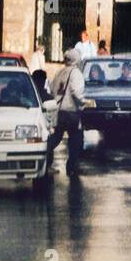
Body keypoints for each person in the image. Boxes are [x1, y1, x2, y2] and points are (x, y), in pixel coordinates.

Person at [49, 48, 85, 176]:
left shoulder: (60, 72)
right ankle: (72, 166)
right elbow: (77, 92)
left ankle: (46, 159)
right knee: (76, 138)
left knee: (56, 137)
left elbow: (52, 89)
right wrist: (83, 103)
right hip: (71, 111)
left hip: (58, 111)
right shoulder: (76, 73)